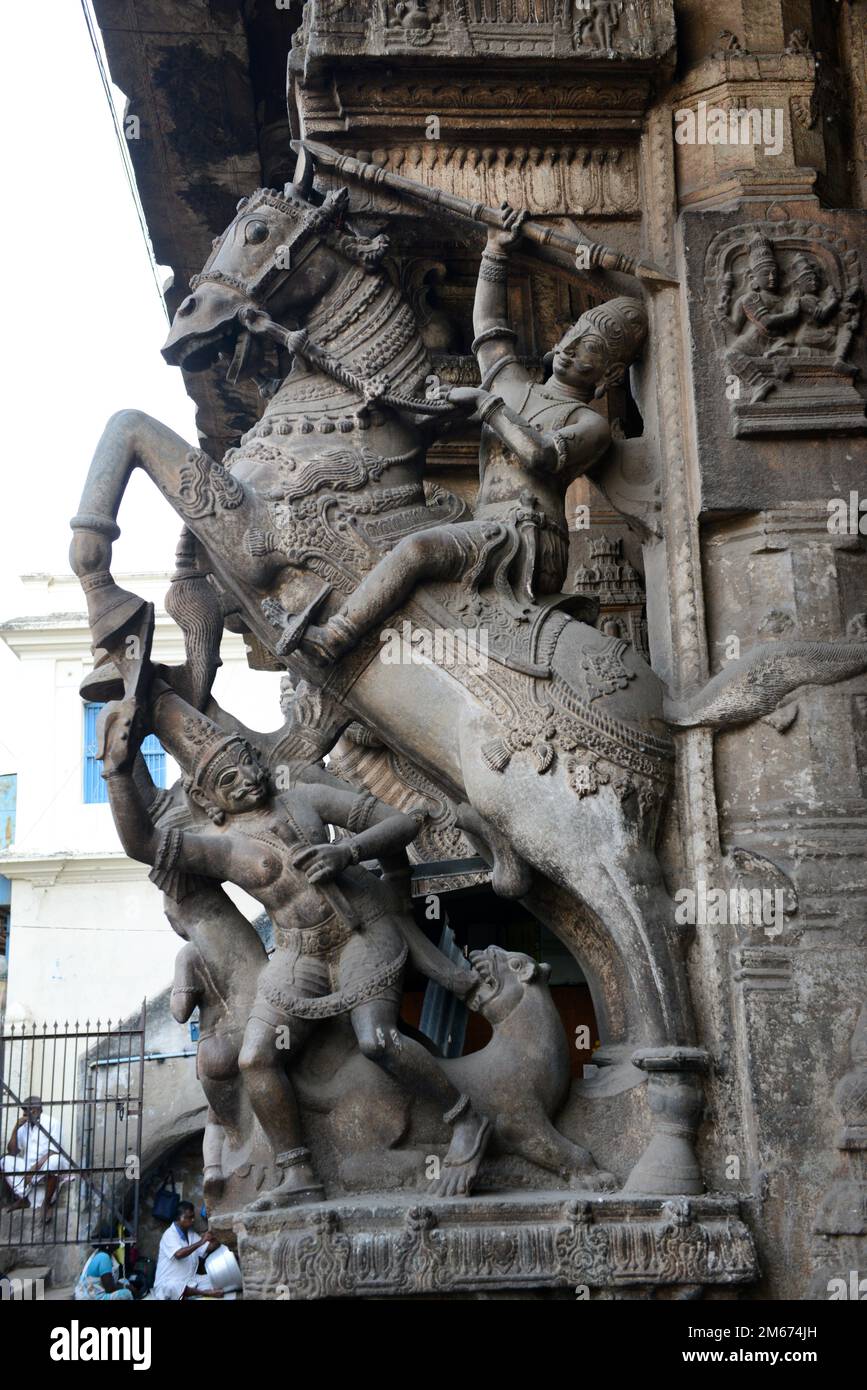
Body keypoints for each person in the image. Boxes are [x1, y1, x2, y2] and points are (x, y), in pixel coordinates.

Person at [290, 211, 647, 662]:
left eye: (590, 350)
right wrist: (495, 250)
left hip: (529, 538)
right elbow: (488, 324)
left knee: (418, 549)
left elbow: (538, 457)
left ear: (611, 372)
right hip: (485, 523)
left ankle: (337, 636)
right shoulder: (514, 382)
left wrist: (485, 405)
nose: (573, 349)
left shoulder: (589, 423)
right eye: (575, 335)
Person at [1, 1096, 68, 1222]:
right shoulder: (25, 1126)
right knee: (5, 1161)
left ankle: (46, 1204)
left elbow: (53, 1150)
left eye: (26, 1110)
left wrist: (34, 1168)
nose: (24, 1114)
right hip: (28, 1168)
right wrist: (16, 1128)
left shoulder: (51, 1123)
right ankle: (24, 1198)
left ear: (35, 1110)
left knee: (56, 1160)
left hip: (44, 1165)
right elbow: (12, 1151)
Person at [153, 1201, 223, 1300]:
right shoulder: (169, 1235)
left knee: (217, 1279)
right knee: (172, 1287)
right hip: (168, 1285)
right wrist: (201, 1242)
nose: (193, 1220)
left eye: (193, 1216)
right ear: (179, 1218)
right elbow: (179, 1254)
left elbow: (208, 1247)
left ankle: (199, 1292)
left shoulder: (191, 1235)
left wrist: (220, 1237)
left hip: (189, 1282)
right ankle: (205, 1293)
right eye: (189, 1217)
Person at [74, 1236, 133, 1301]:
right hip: (95, 1296)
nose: (118, 1241)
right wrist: (127, 1288)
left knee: (124, 1281)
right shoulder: (104, 1257)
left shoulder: (104, 1255)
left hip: (97, 1290)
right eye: (115, 1239)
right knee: (127, 1294)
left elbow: (111, 1281)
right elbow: (110, 1288)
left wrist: (126, 1286)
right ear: (108, 1244)